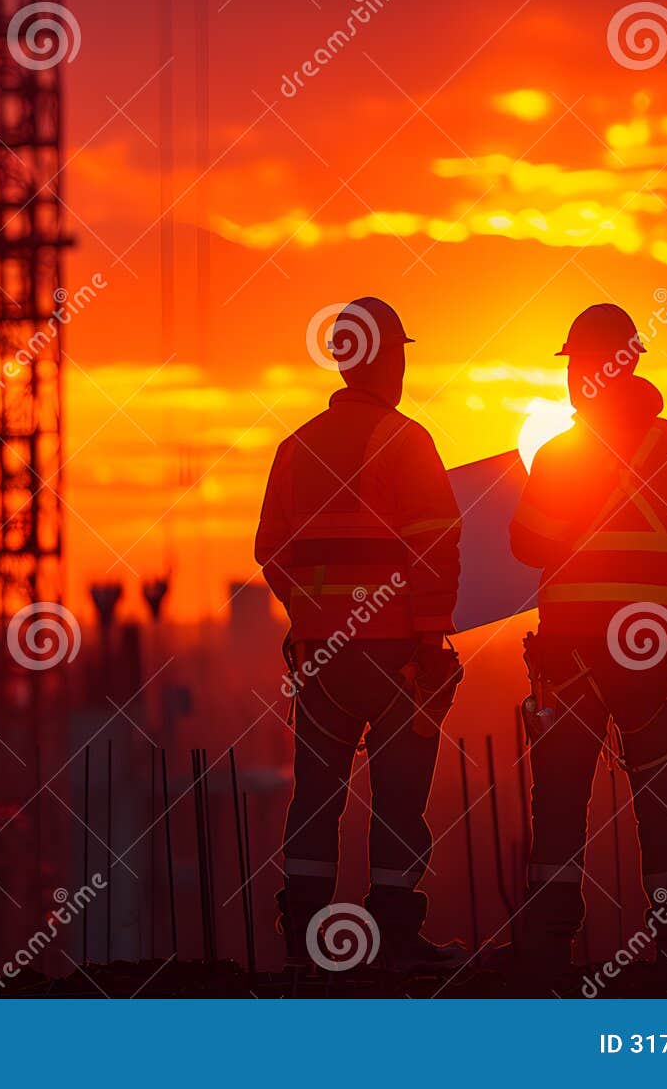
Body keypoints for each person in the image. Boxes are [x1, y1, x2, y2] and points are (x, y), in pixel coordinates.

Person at [509, 303, 667, 985]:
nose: (572, 378)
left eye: (577, 364)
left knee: (559, 798)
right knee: (664, 799)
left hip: (571, 657)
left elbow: (526, 543)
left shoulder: (562, 456)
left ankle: (549, 950)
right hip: (653, 657)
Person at [254, 297, 464, 972]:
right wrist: (430, 641)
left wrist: (314, 614)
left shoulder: (296, 448)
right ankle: (394, 939)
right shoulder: (406, 441)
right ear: (386, 360)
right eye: (398, 355)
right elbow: (435, 548)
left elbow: (271, 551)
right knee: (398, 798)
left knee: (316, 797)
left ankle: (305, 942)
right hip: (398, 655)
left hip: (322, 658)